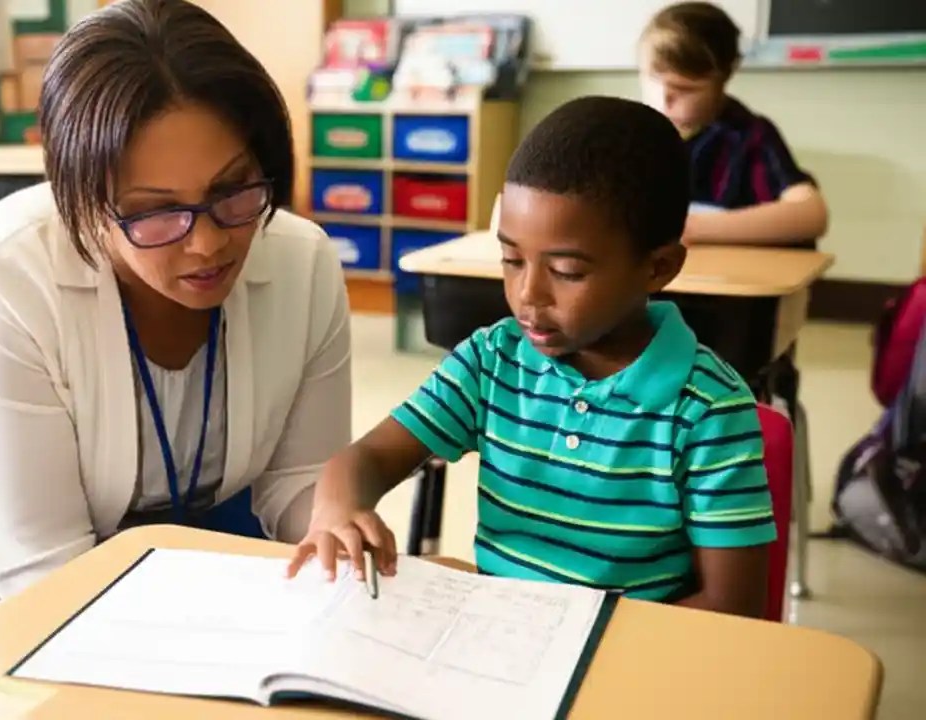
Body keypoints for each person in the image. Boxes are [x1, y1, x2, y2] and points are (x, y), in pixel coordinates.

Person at [0, 0, 352, 716]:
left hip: (167, 567)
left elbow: (296, 485)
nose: (208, 242)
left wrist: (346, 558)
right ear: (81, 198)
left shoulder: (303, 262)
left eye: (233, 191)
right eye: (156, 210)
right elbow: (41, 573)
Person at [289, 97, 776, 619]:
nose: (528, 295)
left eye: (566, 271)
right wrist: (339, 506)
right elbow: (367, 458)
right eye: (511, 259)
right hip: (501, 641)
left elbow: (732, 608)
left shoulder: (708, 410)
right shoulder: (492, 360)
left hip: (628, 661)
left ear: (658, 267)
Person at [639, 2, 828, 247]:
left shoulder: (750, 136)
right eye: (653, 81)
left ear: (725, 77)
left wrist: (692, 228)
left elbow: (812, 216)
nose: (664, 100)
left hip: (724, 278)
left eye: (685, 90)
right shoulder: (633, 133)